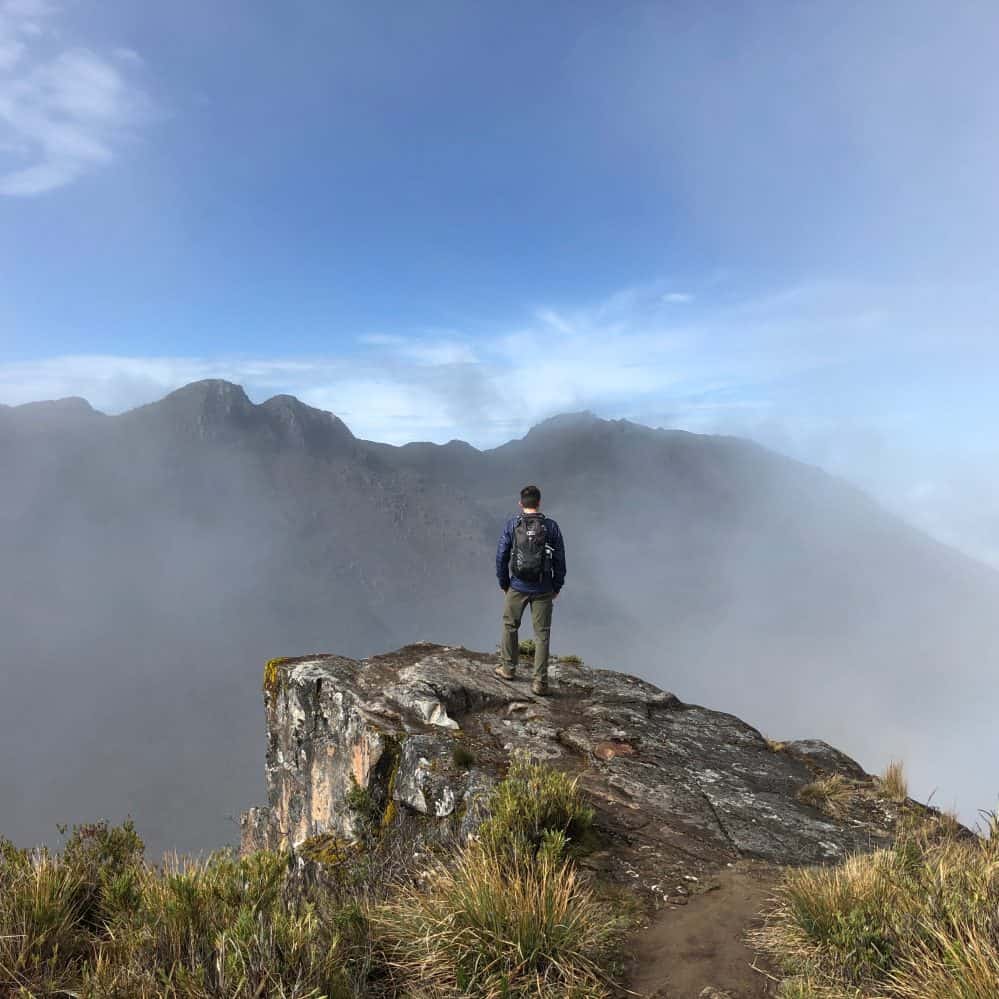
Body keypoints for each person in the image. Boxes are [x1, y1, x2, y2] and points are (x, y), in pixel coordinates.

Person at [494, 484, 566, 695]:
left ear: (520, 504)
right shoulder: (551, 527)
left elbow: (501, 556)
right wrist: (557, 585)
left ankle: (508, 669)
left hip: (517, 585)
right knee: (542, 635)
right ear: (539, 503)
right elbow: (560, 559)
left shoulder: (512, 525)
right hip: (543, 587)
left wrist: (503, 583)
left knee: (510, 625)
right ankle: (540, 683)